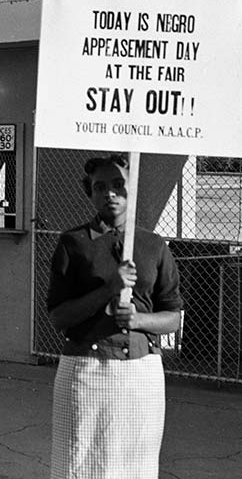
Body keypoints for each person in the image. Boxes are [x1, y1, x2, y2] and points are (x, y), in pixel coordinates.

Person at [46, 153, 183, 479]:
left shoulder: (153, 245)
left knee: (134, 466)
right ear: (89, 192)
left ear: (131, 189)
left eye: (119, 185)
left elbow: (173, 316)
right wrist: (109, 288)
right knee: (79, 465)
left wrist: (138, 320)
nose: (110, 193)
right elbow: (59, 316)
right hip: (86, 371)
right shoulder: (73, 244)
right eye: (100, 186)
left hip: (141, 375)